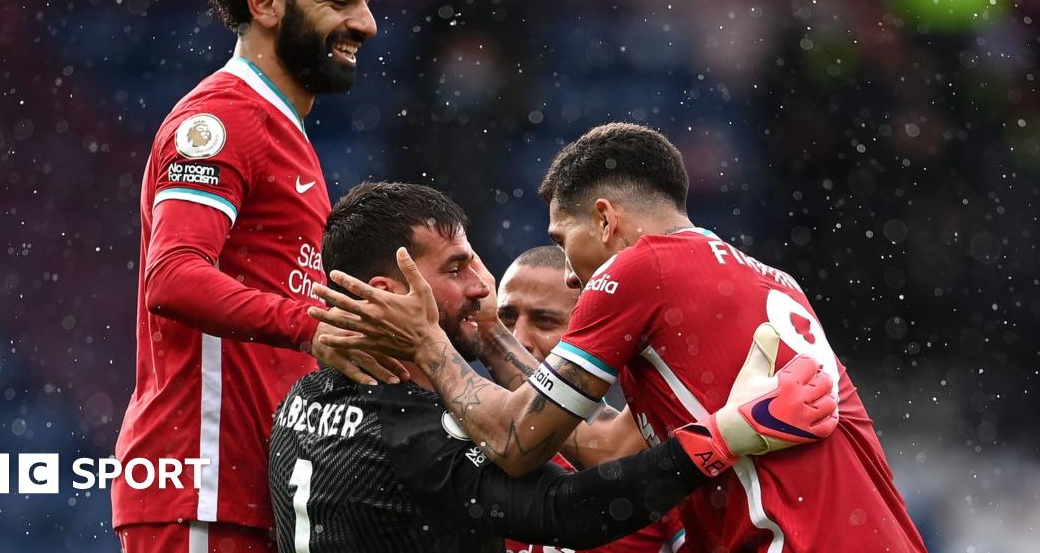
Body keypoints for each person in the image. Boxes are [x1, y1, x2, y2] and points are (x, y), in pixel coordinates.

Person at [313, 122, 928, 551]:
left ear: (606, 219)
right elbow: (605, 447)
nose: (572, 274)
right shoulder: (766, 279)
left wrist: (428, 341)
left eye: (562, 241)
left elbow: (515, 441)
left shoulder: (639, 270)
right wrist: (491, 340)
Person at [273, 181, 838, 553]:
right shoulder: (432, 435)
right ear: (390, 293)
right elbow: (566, 508)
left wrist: (481, 330)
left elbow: (592, 447)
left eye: (544, 322)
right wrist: (724, 435)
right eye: (455, 269)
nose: (480, 290)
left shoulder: (303, 401)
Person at [112, 0, 405, 552]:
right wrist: (314, 327)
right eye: (340, 1)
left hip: (258, 490)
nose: (367, 23)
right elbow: (174, 277)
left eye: (366, 0)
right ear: (266, 2)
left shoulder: (285, 134)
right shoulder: (220, 122)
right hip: (203, 483)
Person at [499, 245, 687, 553]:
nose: (517, 340)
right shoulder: (457, 437)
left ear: (589, 332)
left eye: (544, 321)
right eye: (505, 318)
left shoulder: (657, 453)